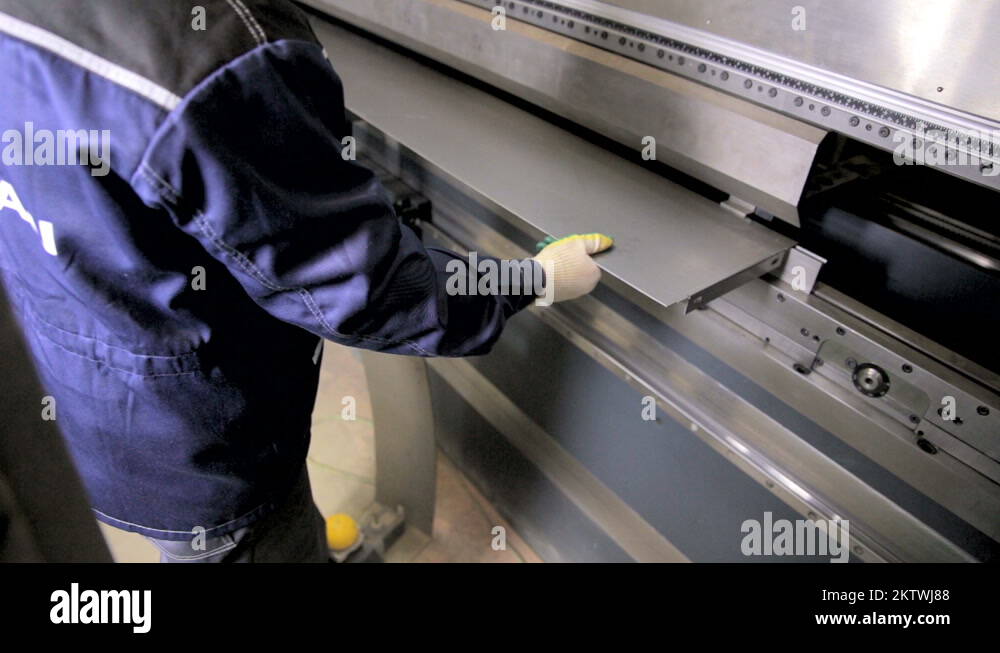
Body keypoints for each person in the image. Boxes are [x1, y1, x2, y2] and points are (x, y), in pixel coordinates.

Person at [0, 0, 610, 562]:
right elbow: (370, 289)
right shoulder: (208, 51)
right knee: (252, 545)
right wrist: (532, 279)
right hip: (201, 452)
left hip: (80, 392)